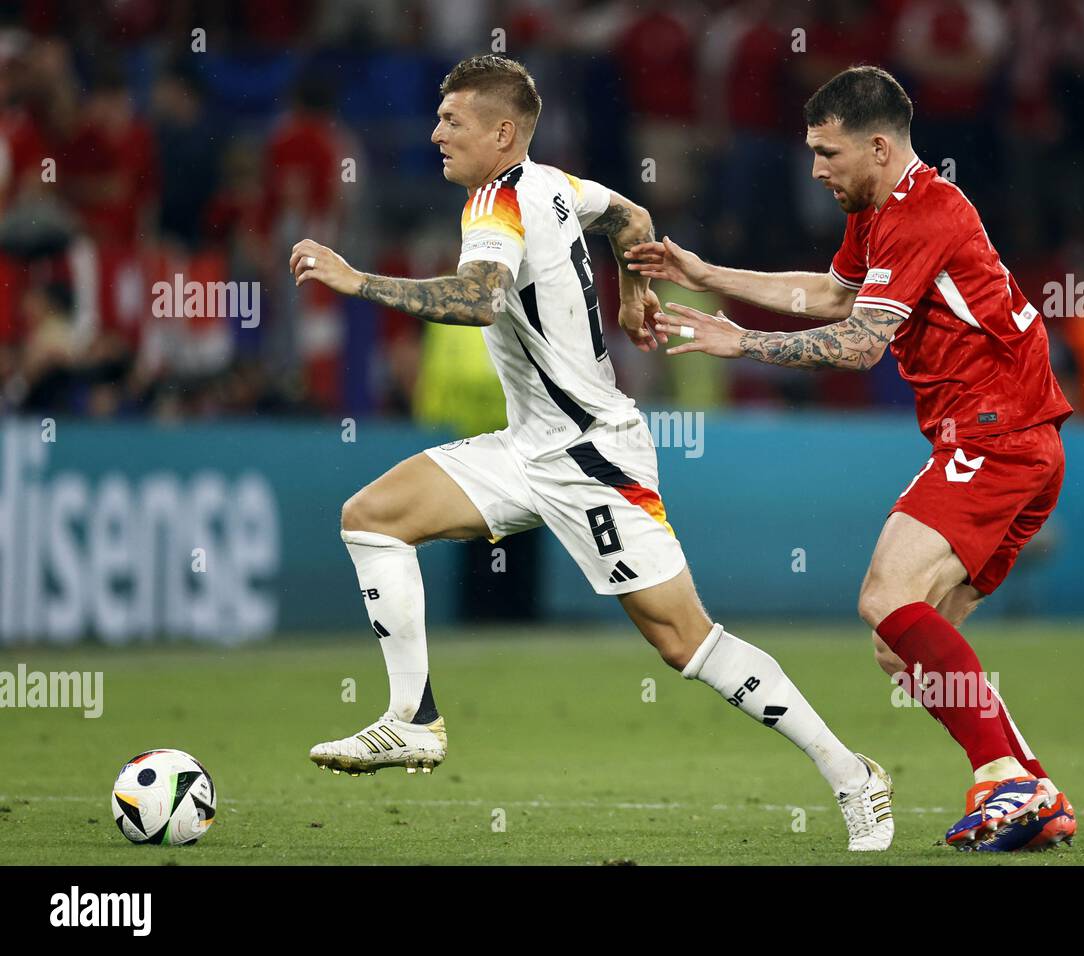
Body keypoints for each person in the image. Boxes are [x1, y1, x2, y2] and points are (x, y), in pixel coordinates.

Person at [289, 55, 893, 852]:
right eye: (437, 116)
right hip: (528, 446)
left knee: (686, 642)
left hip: (592, 456)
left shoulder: (499, 205)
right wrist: (638, 290)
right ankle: (413, 720)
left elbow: (477, 298)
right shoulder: (554, 184)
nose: (435, 130)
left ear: (502, 133)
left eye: (452, 120)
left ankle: (854, 776)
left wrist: (355, 279)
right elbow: (633, 217)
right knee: (371, 518)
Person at [631, 65, 1076, 851]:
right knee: (897, 640)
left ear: (877, 146)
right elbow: (835, 297)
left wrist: (742, 343)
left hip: (996, 435)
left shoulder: (924, 212)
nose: (815, 169)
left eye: (827, 152)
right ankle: (1028, 784)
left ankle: (1005, 781)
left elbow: (859, 344)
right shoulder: (882, 211)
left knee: (884, 595)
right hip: (1005, 440)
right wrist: (709, 277)